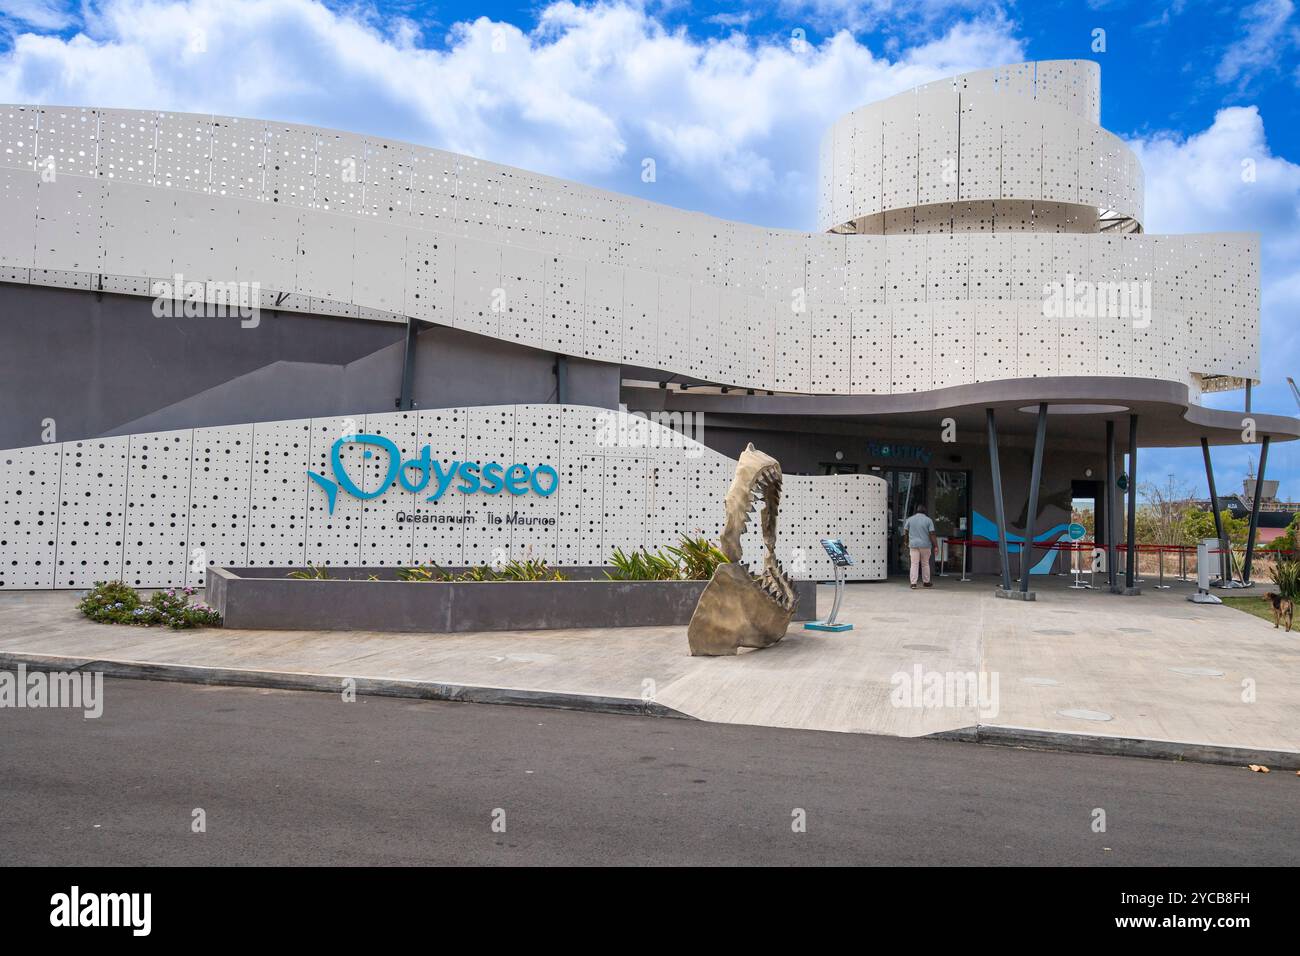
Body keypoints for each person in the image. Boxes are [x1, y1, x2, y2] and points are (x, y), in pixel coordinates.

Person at [902, 504, 937, 589]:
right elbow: (932, 534)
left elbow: (905, 532)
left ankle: (913, 583)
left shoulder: (910, 519)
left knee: (914, 564)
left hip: (913, 545)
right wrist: (936, 545)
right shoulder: (928, 520)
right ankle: (926, 582)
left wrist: (906, 542)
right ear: (925, 512)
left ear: (916, 511)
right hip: (925, 545)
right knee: (925, 564)